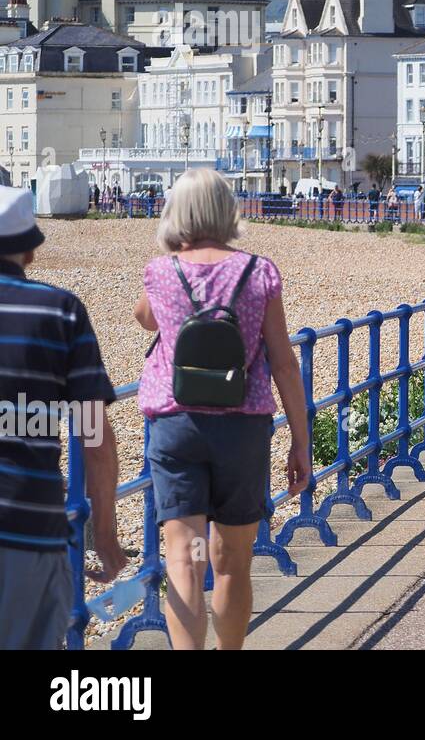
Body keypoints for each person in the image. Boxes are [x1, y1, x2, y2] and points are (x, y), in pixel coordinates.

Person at [132, 169, 310, 650]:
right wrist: (301, 440)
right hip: (243, 428)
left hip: (177, 424)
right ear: (226, 211)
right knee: (233, 560)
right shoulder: (259, 272)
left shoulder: (162, 271)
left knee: (184, 560)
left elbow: (144, 316)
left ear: (178, 213)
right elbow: (284, 363)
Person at [0, 189, 125, 650]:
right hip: (27, 530)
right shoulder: (60, 311)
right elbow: (94, 438)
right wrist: (105, 536)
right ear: (30, 249)